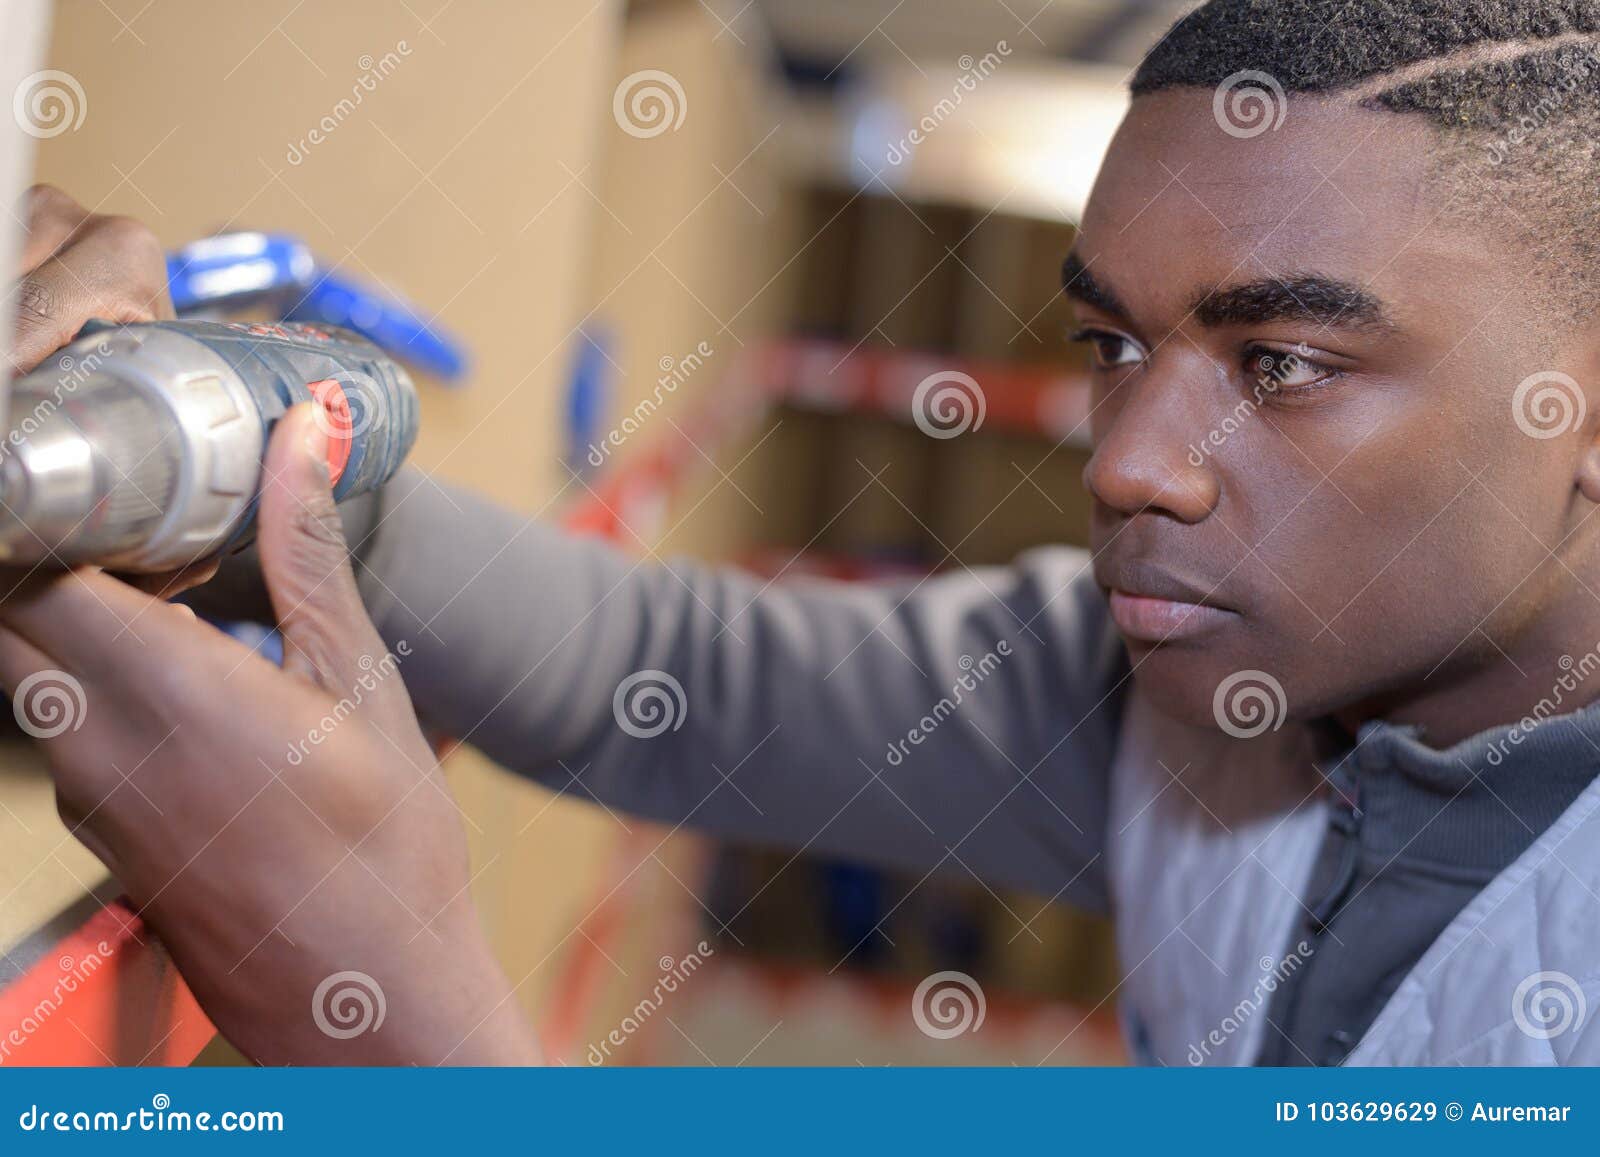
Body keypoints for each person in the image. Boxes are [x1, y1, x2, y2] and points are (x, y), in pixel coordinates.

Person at [9, 0, 1600, 1066]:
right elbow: (664, 673)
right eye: (1115, 345)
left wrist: (393, 1012)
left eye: (1286, 366)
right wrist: (199, 439)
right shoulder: (1180, 687)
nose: (1134, 465)